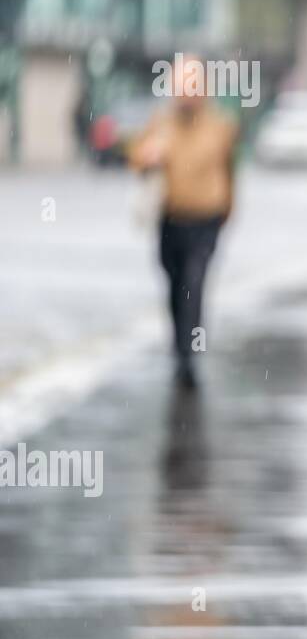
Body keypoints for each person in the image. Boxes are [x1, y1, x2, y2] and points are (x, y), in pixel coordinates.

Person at [128, 53, 239, 388]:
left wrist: (227, 209)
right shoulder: (161, 123)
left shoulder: (221, 125)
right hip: (170, 219)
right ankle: (179, 343)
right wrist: (147, 158)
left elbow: (231, 171)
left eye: (193, 86)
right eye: (181, 86)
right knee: (175, 283)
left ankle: (188, 354)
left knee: (194, 283)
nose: (187, 93)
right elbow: (136, 158)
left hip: (205, 219)